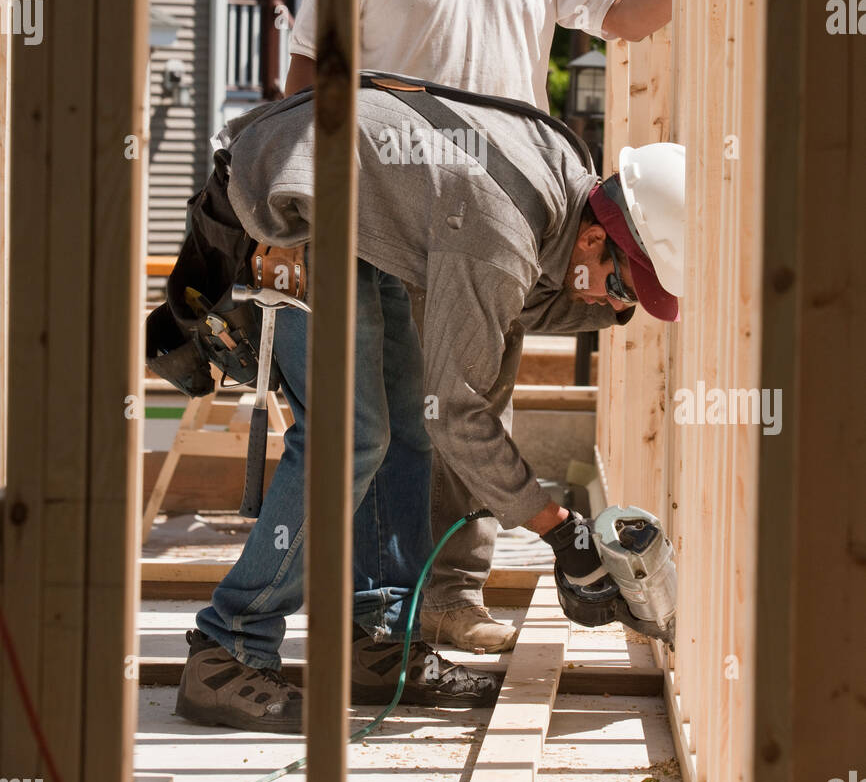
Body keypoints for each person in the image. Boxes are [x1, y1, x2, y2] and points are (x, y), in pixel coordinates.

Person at [281, 0, 672, 653]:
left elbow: (622, 16)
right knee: (391, 417)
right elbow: (309, 68)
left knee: (470, 403)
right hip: (388, 210)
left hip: (501, 214)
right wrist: (292, 203)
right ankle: (382, 607)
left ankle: (453, 593)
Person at [175, 77, 685, 734]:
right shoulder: (502, 230)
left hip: (359, 215)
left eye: (632, 303)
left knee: (407, 432)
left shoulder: (566, 181)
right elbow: (460, 408)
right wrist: (562, 530)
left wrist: (610, 304)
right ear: (595, 239)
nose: (618, 306)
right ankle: (226, 652)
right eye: (622, 286)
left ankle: (379, 644)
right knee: (350, 437)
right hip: (292, 202)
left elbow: (512, 308)